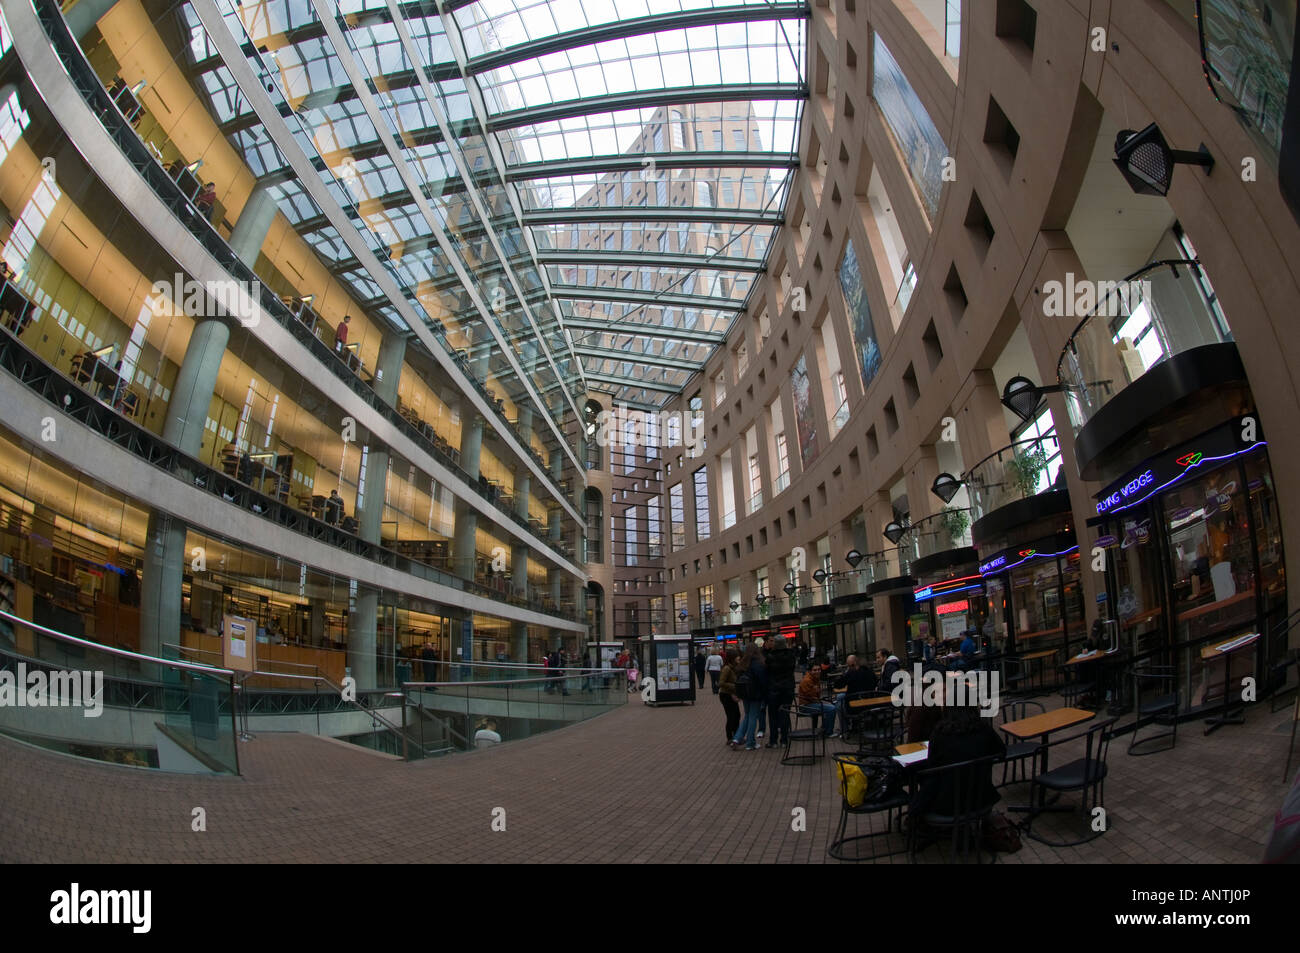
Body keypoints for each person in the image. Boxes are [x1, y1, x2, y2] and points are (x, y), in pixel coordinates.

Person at [909, 698, 1007, 824]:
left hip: (947, 805)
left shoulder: (941, 733)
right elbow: (1001, 752)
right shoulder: (984, 728)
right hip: (982, 800)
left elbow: (931, 765)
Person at [729, 642, 767, 751]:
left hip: (745, 694)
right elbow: (762, 681)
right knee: (753, 717)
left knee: (747, 715)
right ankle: (750, 742)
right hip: (756, 694)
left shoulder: (742, 664)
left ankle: (736, 738)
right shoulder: (758, 663)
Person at [764, 635, 797, 748]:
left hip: (774, 688)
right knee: (785, 713)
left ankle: (773, 741)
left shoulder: (770, 656)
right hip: (787, 688)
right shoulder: (790, 655)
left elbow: (767, 671)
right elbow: (792, 669)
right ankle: (784, 739)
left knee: (773, 715)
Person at [832, 654, 878, 734]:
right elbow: (875, 682)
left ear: (854, 664)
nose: (849, 667)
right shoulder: (869, 671)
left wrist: (845, 674)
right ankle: (854, 725)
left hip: (855, 708)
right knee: (841, 697)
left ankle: (844, 730)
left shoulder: (851, 673)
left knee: (839, 705)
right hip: (870, 704)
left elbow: (837, 685)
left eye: (850, 666)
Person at [797, 662, 838, 738]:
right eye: (815, 670)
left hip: (812, 703)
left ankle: (823, 729)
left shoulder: (815, 678)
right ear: (810, 671)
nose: (817, 671)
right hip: (806, 706)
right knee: (832, 709)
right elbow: (811, 697)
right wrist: (823, 702)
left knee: (832, 706)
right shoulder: (807, 681)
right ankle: (828, 732)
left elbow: (815, 696)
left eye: (819, 669)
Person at [717, 648, 741, 744]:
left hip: (731, 694)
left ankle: (736, 735)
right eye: (737, 657)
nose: (739, 659)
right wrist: (734, 686)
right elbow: (721, 683)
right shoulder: (727, 668)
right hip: (726, 695)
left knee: (736, 715)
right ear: (732, 658)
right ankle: (730, 737)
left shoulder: (734, 667)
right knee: (731, 716)